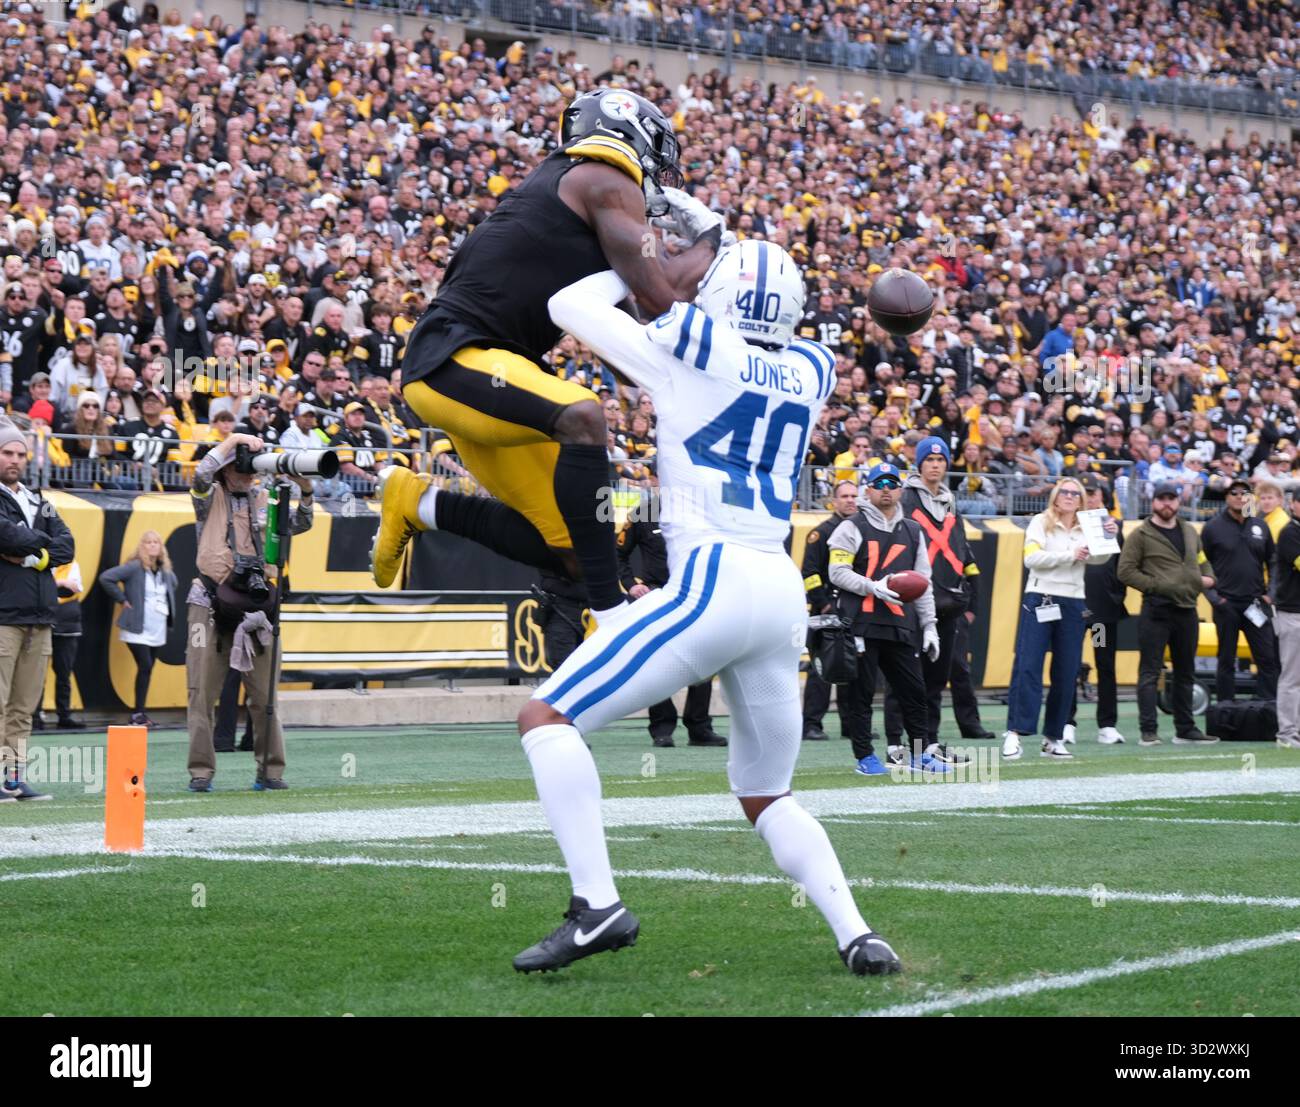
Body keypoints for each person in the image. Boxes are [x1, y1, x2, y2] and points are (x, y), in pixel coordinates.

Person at [511, 242, 901, 977]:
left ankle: (596, 904)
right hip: (777, 586)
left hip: (713, 575)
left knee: (546, 718)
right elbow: (753, 342)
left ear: (715, 291)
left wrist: (650, 258)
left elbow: (568, 306)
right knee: (767, 791)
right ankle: (857, 933)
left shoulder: (688, 350)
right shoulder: (812, 368)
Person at [371, 90, 725, 630]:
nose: (661, 177)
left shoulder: (583, 192)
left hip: (500, 380)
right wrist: (709, 243)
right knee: (584, 415)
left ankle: (420, 505)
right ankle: (610, 616)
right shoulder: (604, 177)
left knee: (575, 548)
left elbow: (642, 335)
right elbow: (660, 299)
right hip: (454, 359)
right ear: (635, 137)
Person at [185, 432, 314, 791]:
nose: (246, 469)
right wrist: (233, 441)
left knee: (265, 695)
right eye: (239, 462)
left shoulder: (266, 498)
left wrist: (304, 490)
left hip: (256, 606)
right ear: (225, 467)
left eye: (251, 462)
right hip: (209, 603)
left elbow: (301, 524)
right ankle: (201, 772)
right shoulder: (209, 497)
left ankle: (271, 772)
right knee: (201, 692)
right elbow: (199, 476)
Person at [828, 463, 940, 775]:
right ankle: (864, 756)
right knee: (861, 694)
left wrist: (930, 625)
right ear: (869, 490)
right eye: (880, 483)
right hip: (861, 621)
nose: (886, 488)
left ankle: (919, 753)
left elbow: (923, 581)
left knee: (914, 691)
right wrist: (871, 586)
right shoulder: (851, 526)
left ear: (901, 489)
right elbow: (836, 572)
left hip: (900, 624)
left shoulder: (913, 530)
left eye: (892, 483)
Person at [1003, 477, 1118, 761]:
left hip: (1074, 601)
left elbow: (1100, 560)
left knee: (1067, 672)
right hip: (1041, 596)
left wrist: (1108, 535)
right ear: (1055, 496)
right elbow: (1031, 558)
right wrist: (1069, 555)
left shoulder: (1087, 525)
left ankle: (1053, 737)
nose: (1069, 496)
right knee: (1028, 666)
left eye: (1075, 493)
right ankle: (1015, 733)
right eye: (1064, 492)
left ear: (1081, 499)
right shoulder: (1040, 521)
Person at [884, 436, 981, 765]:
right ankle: (896, 743)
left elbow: (960, 550)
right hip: (914, 600)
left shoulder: (950, 502)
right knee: (905, 675)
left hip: (948, 602)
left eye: (941, 460)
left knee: (937, 677)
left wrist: (967, 595)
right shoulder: (906, 498)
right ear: (920, 463)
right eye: (929, 460)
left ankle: (928, 743)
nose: (936, 465)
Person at [0, 418, 75, 800]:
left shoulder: (38, 499)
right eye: (7, 452)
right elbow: (6, 535)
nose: (14, 459)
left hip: (41, 616)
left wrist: (32, 556)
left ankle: (12, 778)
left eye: (20, 454)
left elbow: (67, 546)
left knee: (23, 707)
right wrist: (36, 544)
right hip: (4, 616)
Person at [617, 483, 724, 748]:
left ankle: (699, 728)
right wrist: (631, 584)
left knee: (704, 663)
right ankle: (662, 728)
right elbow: (617, 553)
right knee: (657, 664)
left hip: (695, 596)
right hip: (658, 597)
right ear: (655, 482)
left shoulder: (699, 513)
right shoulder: (642, 513)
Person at [1117, 480, 1217, 746]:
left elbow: (1202, 560)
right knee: (1150, 672)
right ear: (1153, 502)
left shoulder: (1189, 531)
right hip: (1156, 609)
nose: (1167, 503)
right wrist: (1156, 586)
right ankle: (1148, 731)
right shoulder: (1140, 534)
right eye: (1162, 498)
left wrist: (1207, 577)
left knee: (1186, 672)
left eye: (1171, 498)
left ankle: (1185, 729)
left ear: (1178, 501)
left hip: (1187, 609)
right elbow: (1125, 570)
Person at [1200, 477, 1279, 703]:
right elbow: (1200, 565)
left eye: (1244, 492)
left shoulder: (1260, 526)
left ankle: (1268, 709)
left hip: (1257, 603)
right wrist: (1215, 599)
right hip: (1227, 603)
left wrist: (1271, 594)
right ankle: (1226, 709)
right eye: (1233, 492)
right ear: (1226, 497)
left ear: (1250, 497)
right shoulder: (1212, 527)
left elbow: (1274, 562)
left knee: (1267, 658)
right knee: (1226, 659)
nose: (1239, 496)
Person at [1065, 474, 1128, 745]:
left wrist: (1115, 596)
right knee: (1068, 665)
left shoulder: (1114, 526)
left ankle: (1107, 724)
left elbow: (1122, 567)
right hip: (1074, 609)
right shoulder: (1066, 526)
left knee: (1105, 665)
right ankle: (1066, 722)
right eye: (1085, 492)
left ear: (1103, 497)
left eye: (1095, 493)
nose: (1090, 497)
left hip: (1101, 614)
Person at [99, 531, 178, 727]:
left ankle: (140, 712)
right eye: (148, 542)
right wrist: (123, 600)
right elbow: (106, 578)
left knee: (147, 669)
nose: (152, 546)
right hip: (137, 628)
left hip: (157, 627)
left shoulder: (164, 570)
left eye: (156, 542)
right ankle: (138, 713)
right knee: (145, 665)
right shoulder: (134, 567)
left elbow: (173, 584)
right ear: (142, 546)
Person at [801, 480, 858, 742]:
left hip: (853, 609)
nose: (850, 500)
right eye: (844, 496)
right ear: (833, 501)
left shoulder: (861, 530)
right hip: (826, 610)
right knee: (820, 669)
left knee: (852, 666)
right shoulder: (820, 533)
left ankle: (851, 723)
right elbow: (809, 574)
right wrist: (823, 603)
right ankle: (812, 724)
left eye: (854, 495)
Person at [1271, 491, 1300, 751]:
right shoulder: (1290, 532)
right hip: (1292, 612)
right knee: (1292, 676)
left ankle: (1295, 730)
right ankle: (1287, 733)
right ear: (1293, 504)